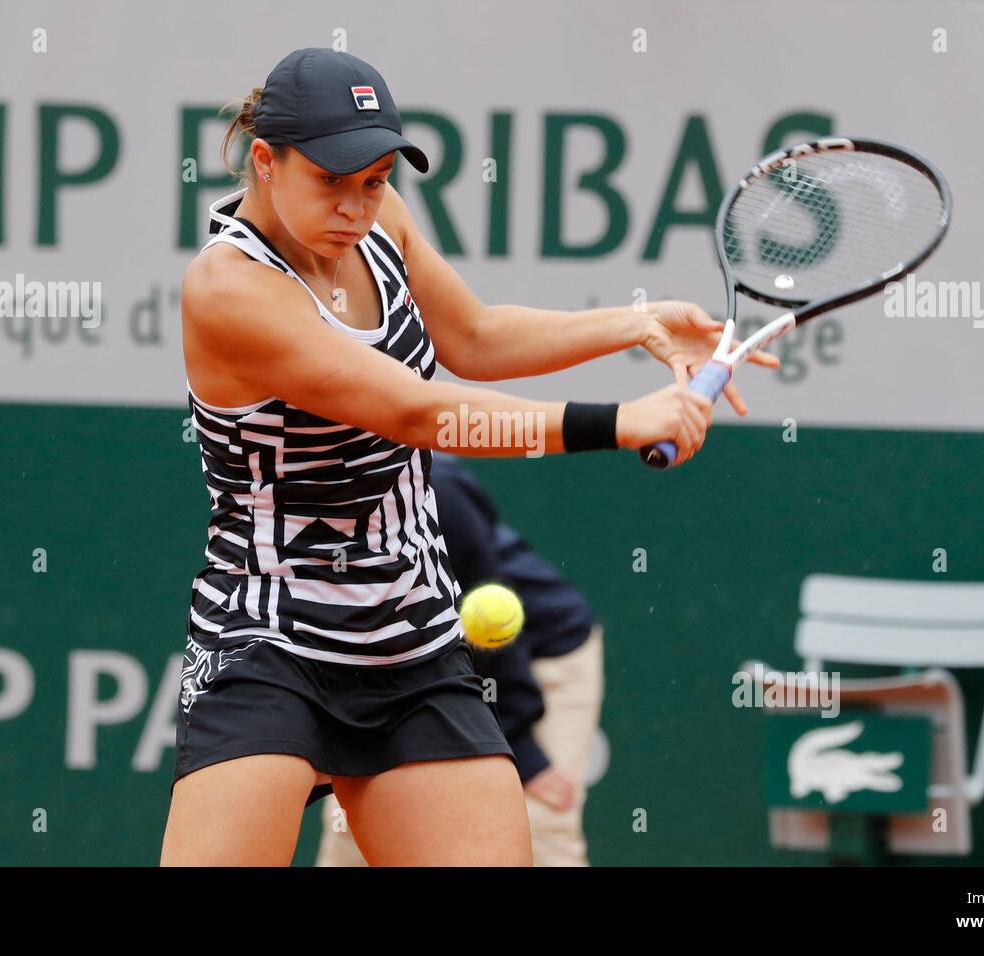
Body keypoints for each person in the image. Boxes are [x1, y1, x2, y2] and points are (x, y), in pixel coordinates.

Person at [160, 47, 776, 867]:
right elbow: (415, 410)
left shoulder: (384, 223)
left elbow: (475, 339)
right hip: (268, 644)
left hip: (411, 639)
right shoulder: (228, 288)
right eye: (333, 182)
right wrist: (619, 419)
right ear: (265, 162)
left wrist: (636, 321)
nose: (357, 204)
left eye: (375, 180)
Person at [316, 452, 605, 866]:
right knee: (351, 826)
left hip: (535, 658)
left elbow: (495, 625)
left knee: (538, 821)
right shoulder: (291, 497)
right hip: (401, 663)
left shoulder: (440, 488)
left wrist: (524, 750)